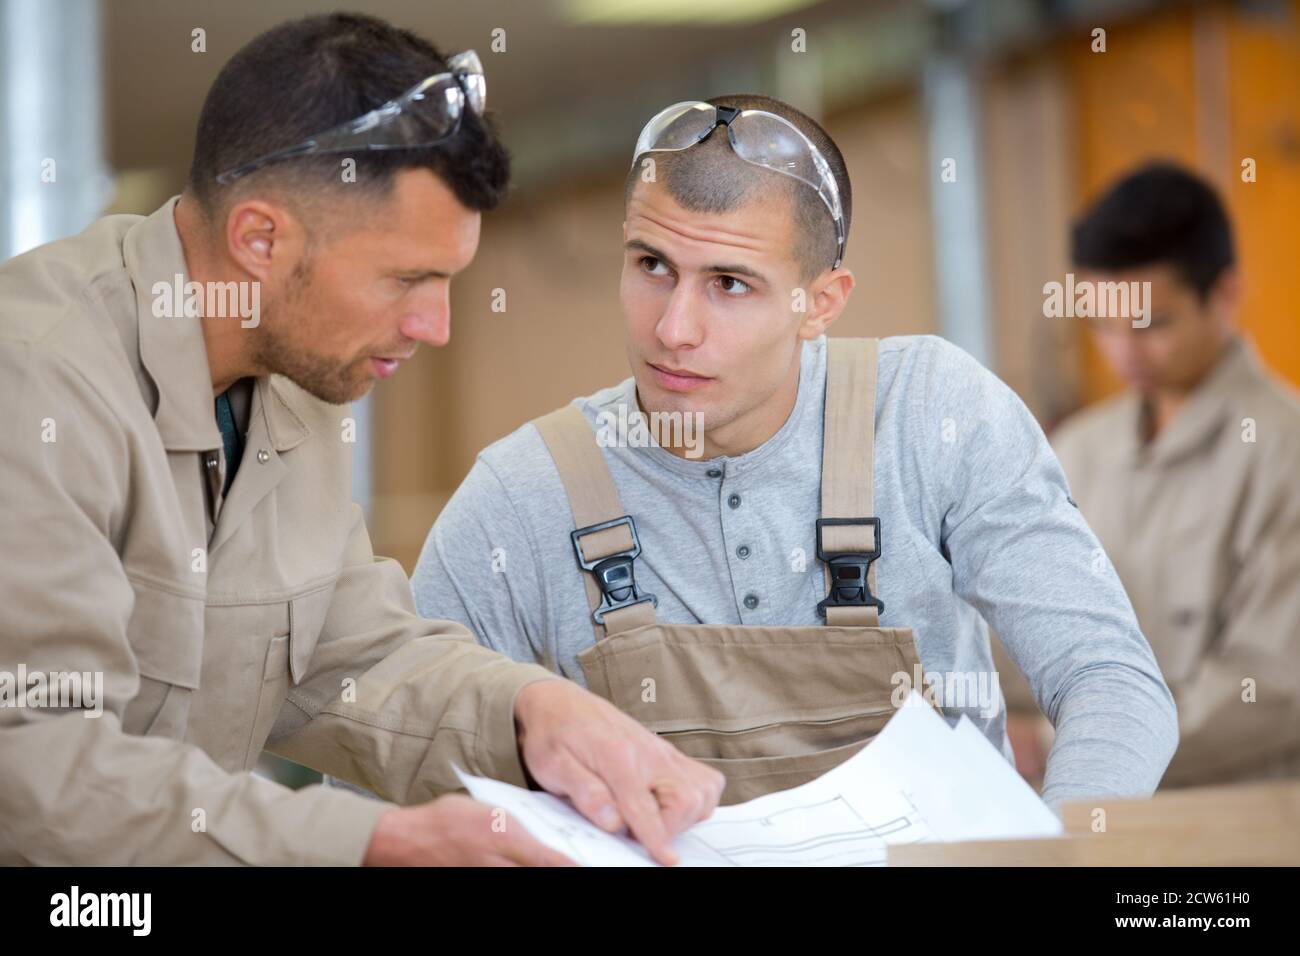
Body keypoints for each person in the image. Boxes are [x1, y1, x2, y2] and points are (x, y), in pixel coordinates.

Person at [0, 13, 722, 867]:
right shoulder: (36, 381)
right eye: (407, 279)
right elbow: (35, 763)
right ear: (260, 239)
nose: (436, 325)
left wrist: (530, 715)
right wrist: (369, 844)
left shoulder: (295, 377)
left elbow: (348, 654)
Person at [412, 94, 1179, 812]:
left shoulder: (930, 414)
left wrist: (1060, 855)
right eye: (652, 266)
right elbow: (413, 750)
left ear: (823, 302)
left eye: (730, 283)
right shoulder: (521, 495)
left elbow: (1111, 683)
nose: (674, 328)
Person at [1051, 162, 1300, 787]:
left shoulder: (1283, 451)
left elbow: (1272, 688)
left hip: (1241, 832)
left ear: (1225, 293)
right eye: (1102, 324)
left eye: (1151, 325)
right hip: (1090, 820)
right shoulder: (1076, 451)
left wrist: (1084, 748)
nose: (1122, 353)